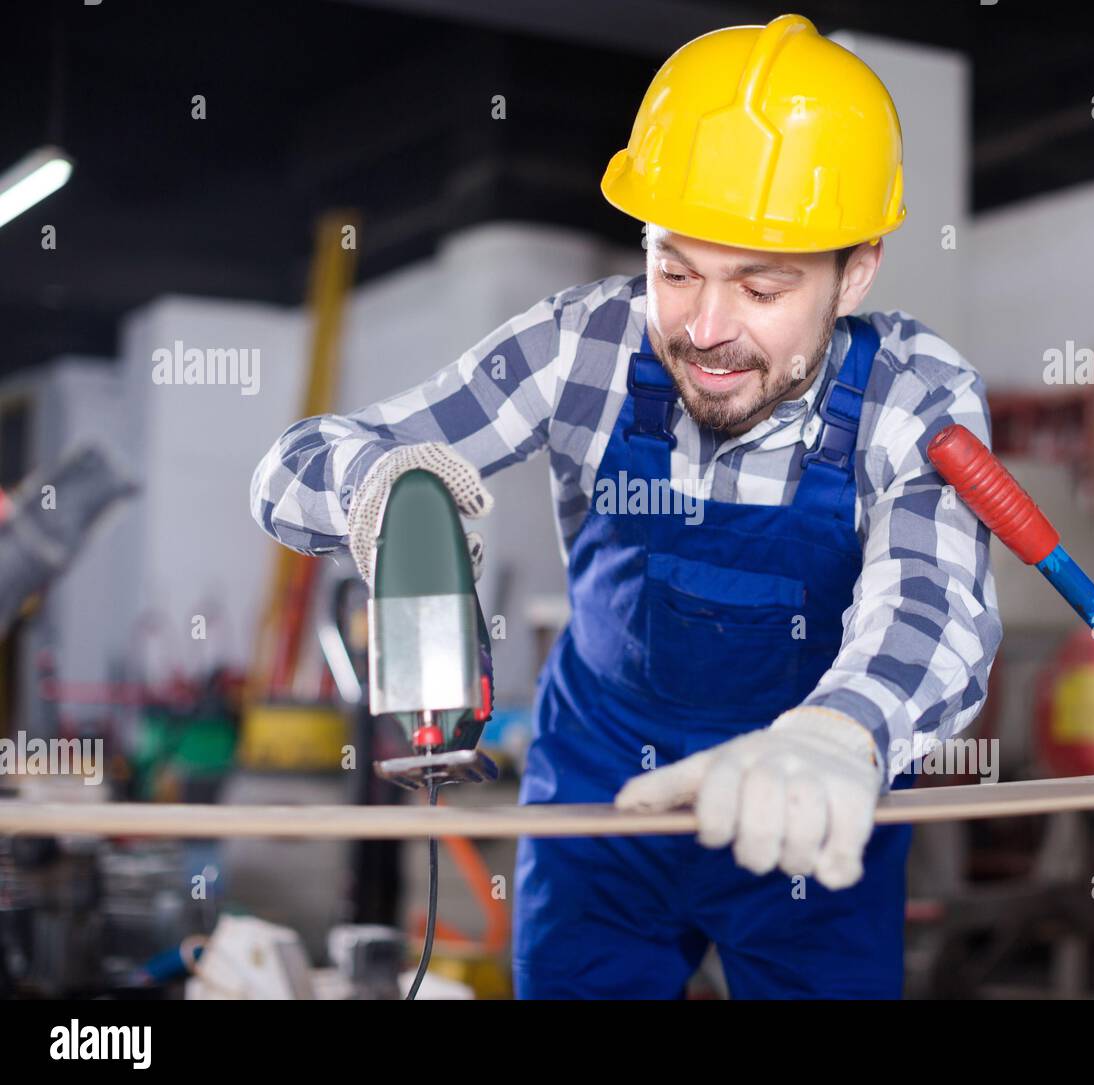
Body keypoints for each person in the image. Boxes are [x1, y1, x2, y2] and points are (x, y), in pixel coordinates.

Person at [251, 13, 1002, 999]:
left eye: (761, 286)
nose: (703, 326)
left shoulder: (915, 392)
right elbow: (292, 467)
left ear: (854, 271)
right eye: (674, 267)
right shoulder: (583, 345)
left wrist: (839, 736)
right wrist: (377, 492)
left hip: (803, 800)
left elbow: (933, 600)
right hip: (600, 802)